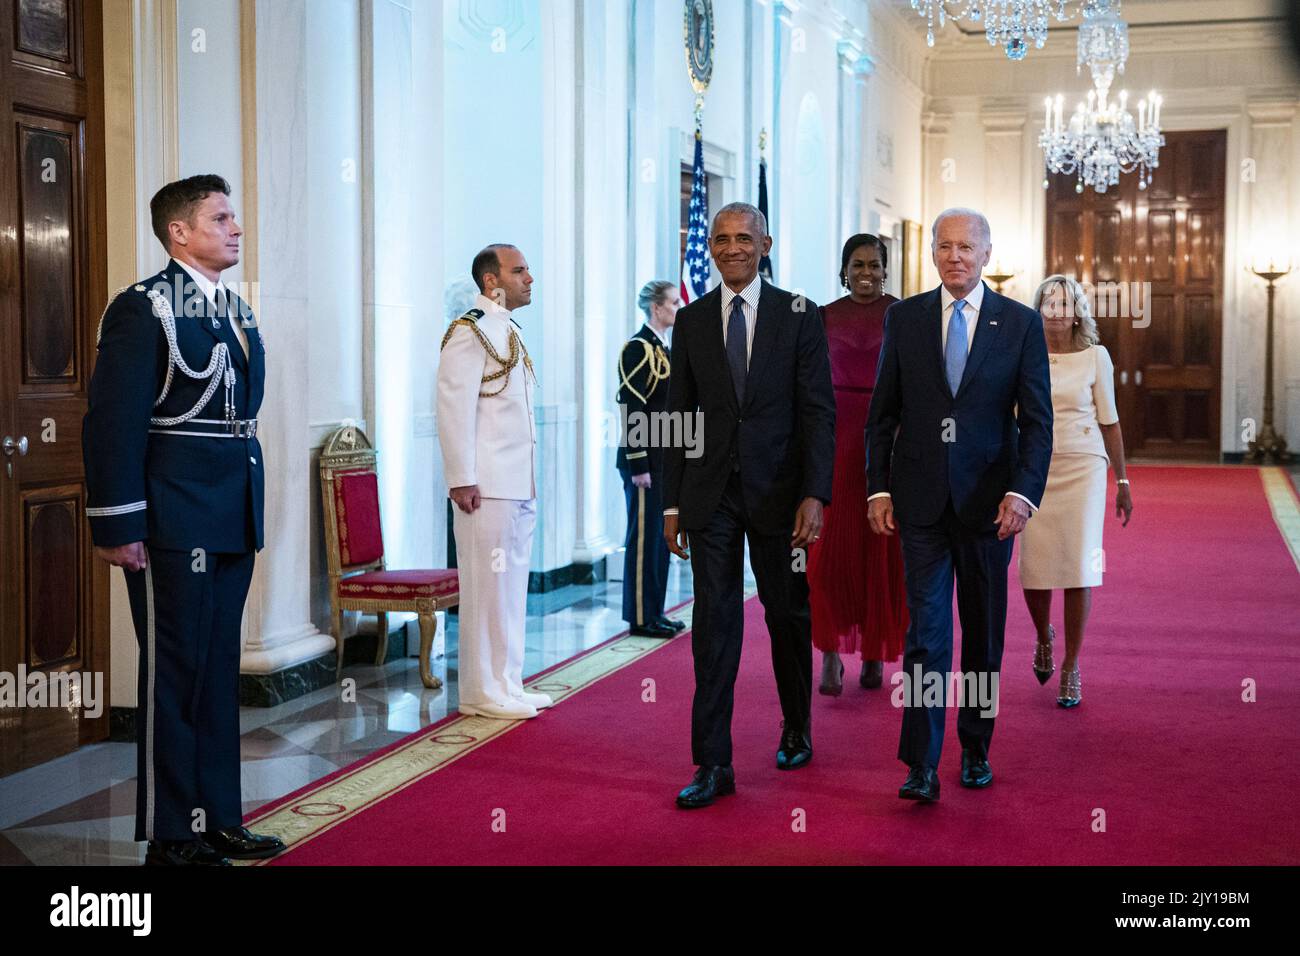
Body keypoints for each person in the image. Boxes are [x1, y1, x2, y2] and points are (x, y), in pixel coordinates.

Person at [83, 174, 284, 865]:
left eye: (234, 216)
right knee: (173, 676)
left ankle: (217, 816)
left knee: (216, 670)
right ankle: (172, 836)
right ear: (179, 232)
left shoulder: (235, 307)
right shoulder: (143, 309)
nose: (235, 227)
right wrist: (119, 524)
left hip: (230, 513)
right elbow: (112, 423)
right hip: (172, 520)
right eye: (221, 217)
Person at [865, 207, 1053, 802]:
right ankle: (920, 762)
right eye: (944, 247)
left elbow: (1038, 423)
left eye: (966, 247)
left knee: (983, 634)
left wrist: (1023, 493)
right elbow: (882, 415)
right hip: (919, 503)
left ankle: (974, 747)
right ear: (934, 254)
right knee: (926, 635)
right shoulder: (905, 318)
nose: (954, 257)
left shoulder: (1020, 325)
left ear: (987, 255)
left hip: (989, 509)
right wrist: (879, 487)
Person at [664, 202, 836, 809]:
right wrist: (670, 506)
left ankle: (796, 725)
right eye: (721, 238)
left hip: (781, 496)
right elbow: (675, 418)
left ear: (766, 243)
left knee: (786, 613)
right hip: (712, 497)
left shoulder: (800, 314)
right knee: (714, 625)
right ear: (709, 247)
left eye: (744, 237)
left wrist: (816, 493)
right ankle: (713, 762)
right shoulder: (690, 321)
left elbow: (819, 411)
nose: (732, 247)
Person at [437, 243, 549, 721]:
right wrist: (461, 478)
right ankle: (481, 691)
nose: (529, 278)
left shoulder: (509, 331)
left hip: (517, 483)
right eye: (519, 270)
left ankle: (507, 682)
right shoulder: (470, 333)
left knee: (511, 587)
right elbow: (453, 408)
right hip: (485, 485)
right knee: (486, 587)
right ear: (492, 282)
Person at [1020, 275, 1133, 707]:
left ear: (1077, 311)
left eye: (1065, 304)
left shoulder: (1095, 357)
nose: (1057, 311)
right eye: (1049, 303)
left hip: (1084, 465)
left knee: (1080, 565)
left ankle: (1070, 663)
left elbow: (1110, 420)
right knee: (1035, 565)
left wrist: (1122, 481)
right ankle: (1042, 636)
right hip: (1034, 466)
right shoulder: (1022, 353)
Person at [808, 235, 909, 696]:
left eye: (874, 264)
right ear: (843, 269)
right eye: (857, 264)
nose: (865, 272)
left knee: (880, 548)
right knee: (829, 552)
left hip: (887, 438)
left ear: (886, 269)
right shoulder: (822, 315)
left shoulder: (903, 314)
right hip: (835, 437)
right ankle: (829, 652)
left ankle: (873, 651)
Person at [617, 280, 686, 637]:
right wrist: (639, 463)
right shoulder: (639, 348)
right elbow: (632, 407)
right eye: (674, 302)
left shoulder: (663, 348)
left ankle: (655, 611)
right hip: (644, 464)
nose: (679, 307)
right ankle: (642, 617)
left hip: (664, 460)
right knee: (644, 542)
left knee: (660, 541)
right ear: (657, 308)